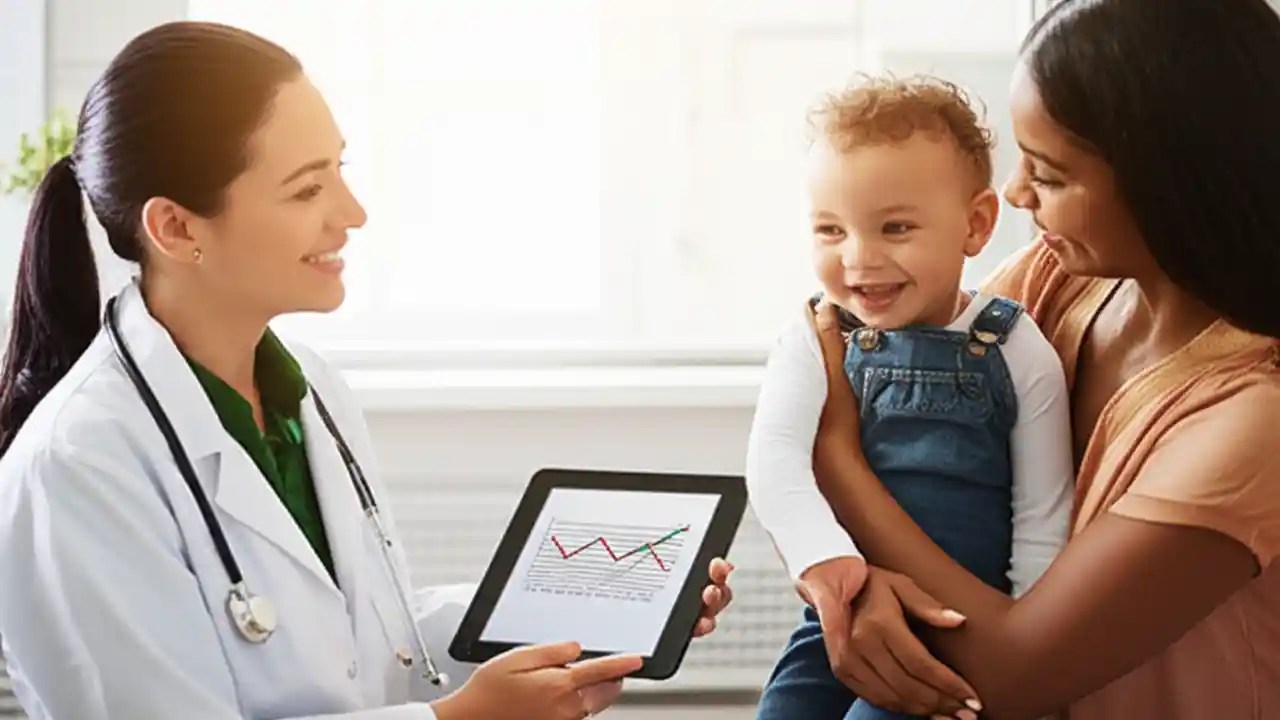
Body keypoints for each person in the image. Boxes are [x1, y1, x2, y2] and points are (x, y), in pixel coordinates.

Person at [0, 21, 734, 720]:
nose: (352, 213)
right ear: (176, 228)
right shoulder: (78, 466)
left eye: (339, 170)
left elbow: (371, 640)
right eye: (306, 189)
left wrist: (591, 608)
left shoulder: (309, 390)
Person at [793, 1, 1280, 718]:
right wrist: (852, 586)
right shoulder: (1061, 280)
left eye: (1049, 175)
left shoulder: (1253, 417)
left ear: (1169, 181)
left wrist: (837, 465)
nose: (1016, 195)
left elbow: (1011, 672)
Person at [747, 75, 1074, 720]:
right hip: (841, 612)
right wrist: (826, 559)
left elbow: (1044, 510)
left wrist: (1023, 643)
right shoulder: (815, 337)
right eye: (831, 230)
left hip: (959, 633)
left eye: (894, 228)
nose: (859, 259)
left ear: (975, 225)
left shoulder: (1015, 345)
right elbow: (775, 458)